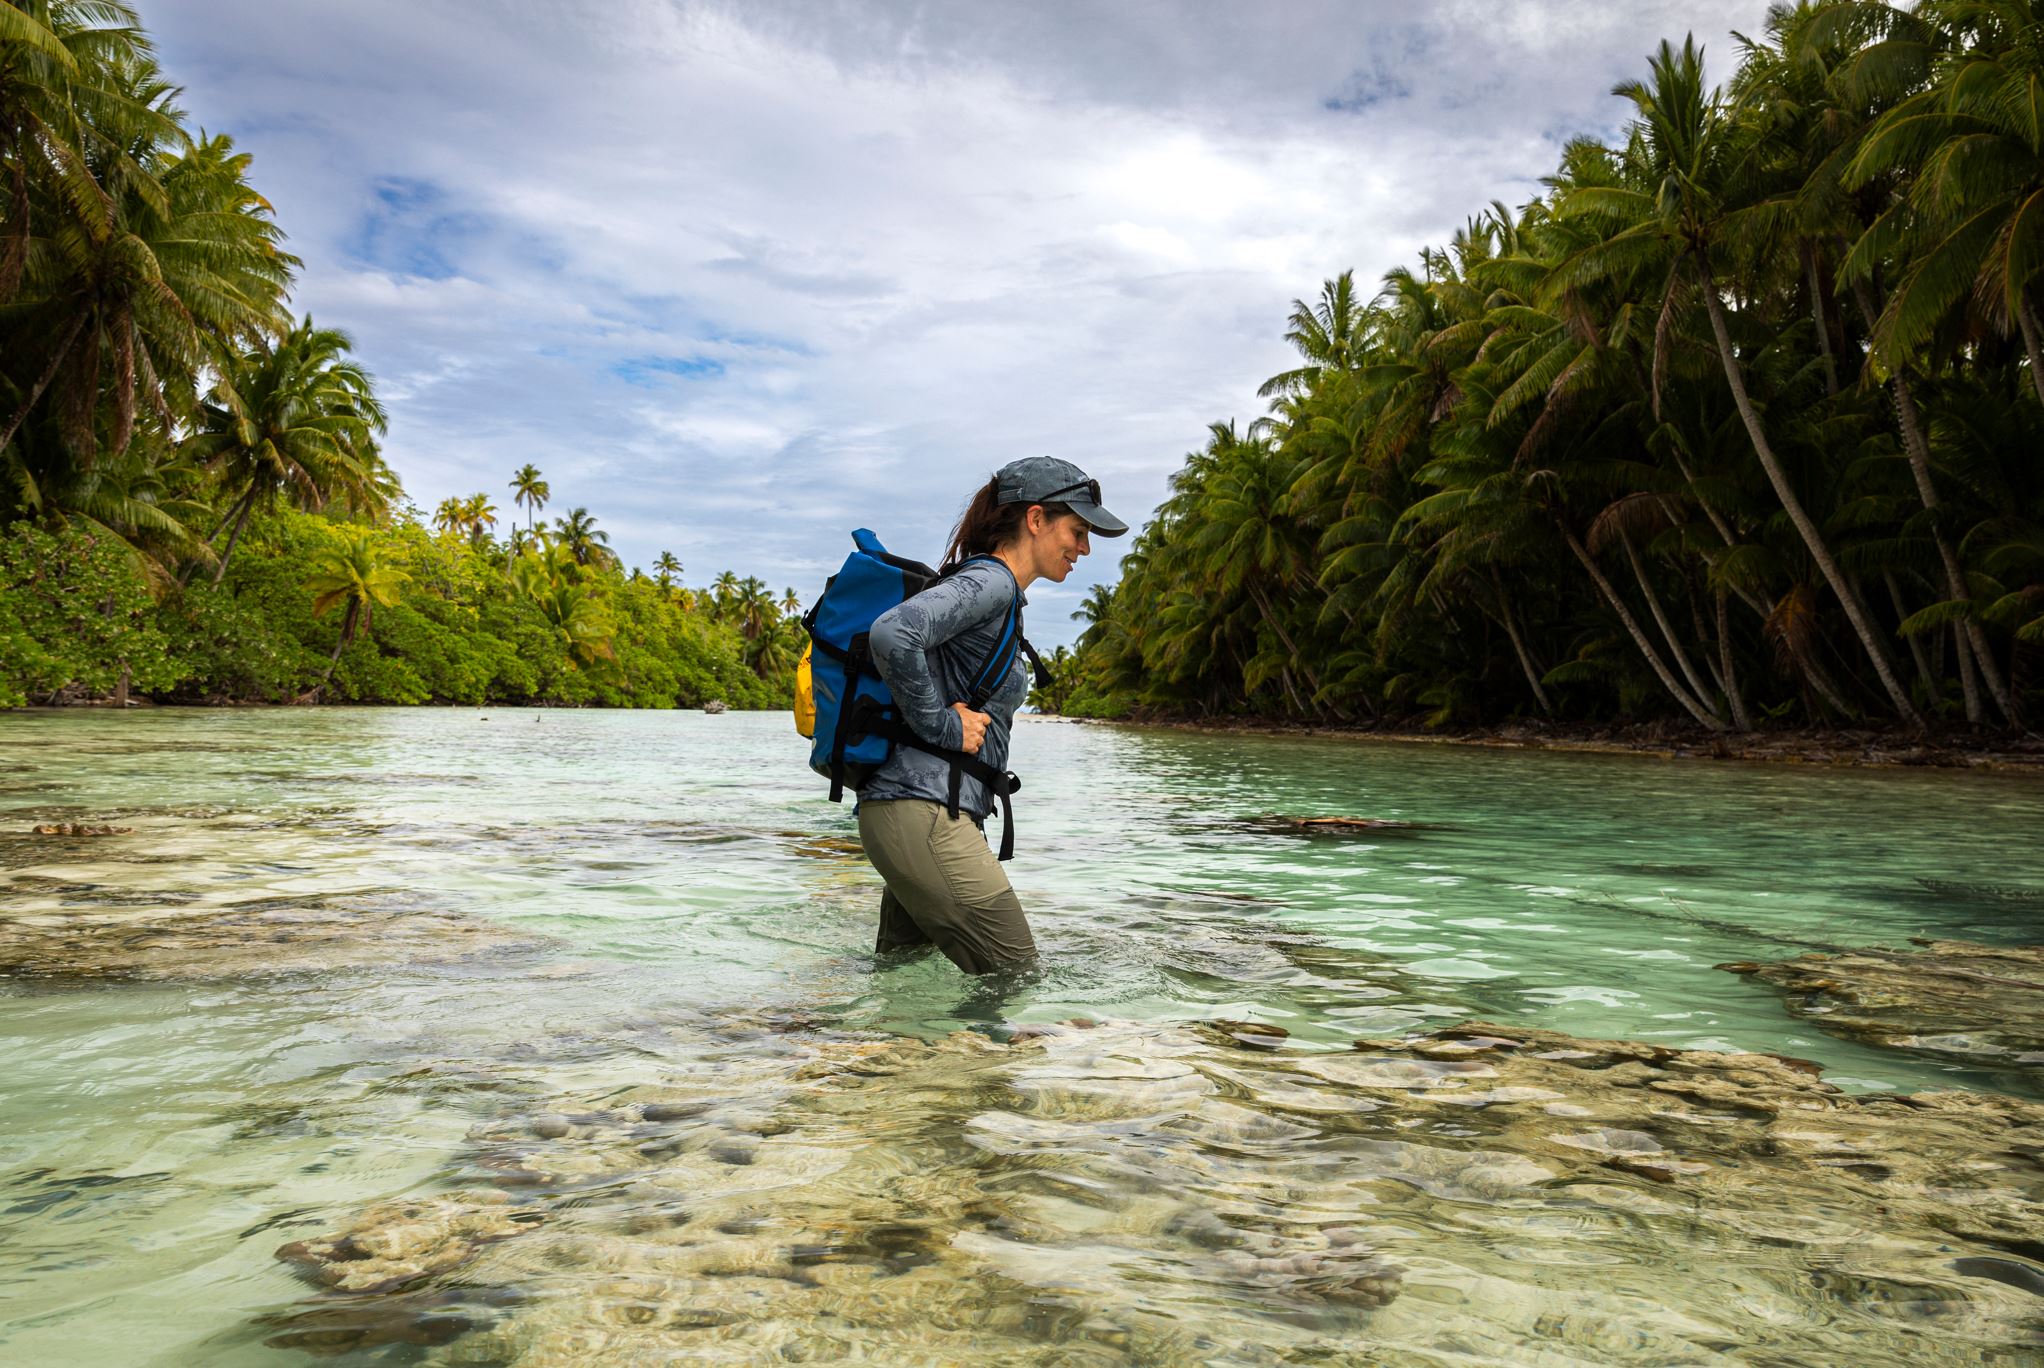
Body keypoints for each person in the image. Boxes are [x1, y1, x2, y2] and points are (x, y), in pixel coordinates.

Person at [857, 457, 1127, 975]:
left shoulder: (989, 589)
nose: (1085, 548)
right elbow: (893, 633)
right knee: (1016, 976)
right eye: (1077, 530)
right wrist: (942, 725)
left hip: (913, 813)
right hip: (925, 817)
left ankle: (858, 1056)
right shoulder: (993, 582)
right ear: (1035, 520)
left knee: (902, 984)